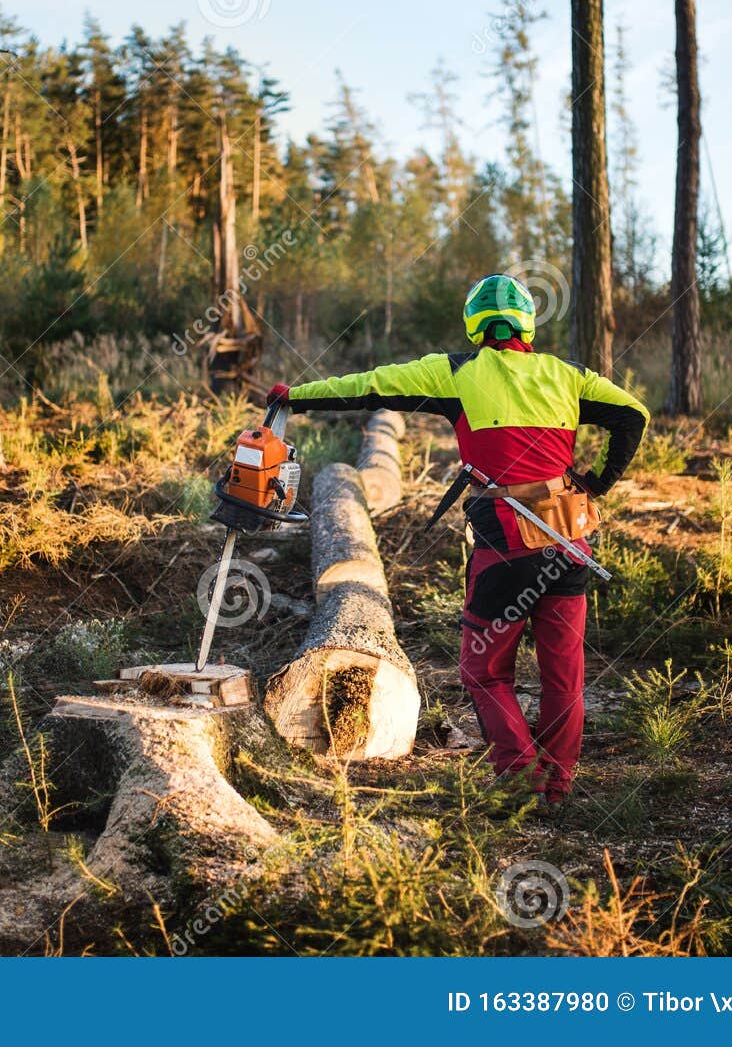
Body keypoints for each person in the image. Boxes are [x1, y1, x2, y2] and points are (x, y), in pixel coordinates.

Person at [269, 274, 648, 803]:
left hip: (505, 549)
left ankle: (519, 779)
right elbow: (634, 414)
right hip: (568, 543)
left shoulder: (455, 371)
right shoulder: (569, 375)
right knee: (563, 677)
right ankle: (557, 786)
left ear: (475, 324)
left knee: (483, 670)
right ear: (528, 324)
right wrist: (597, 482)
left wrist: (297, 397)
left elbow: (368, 384)